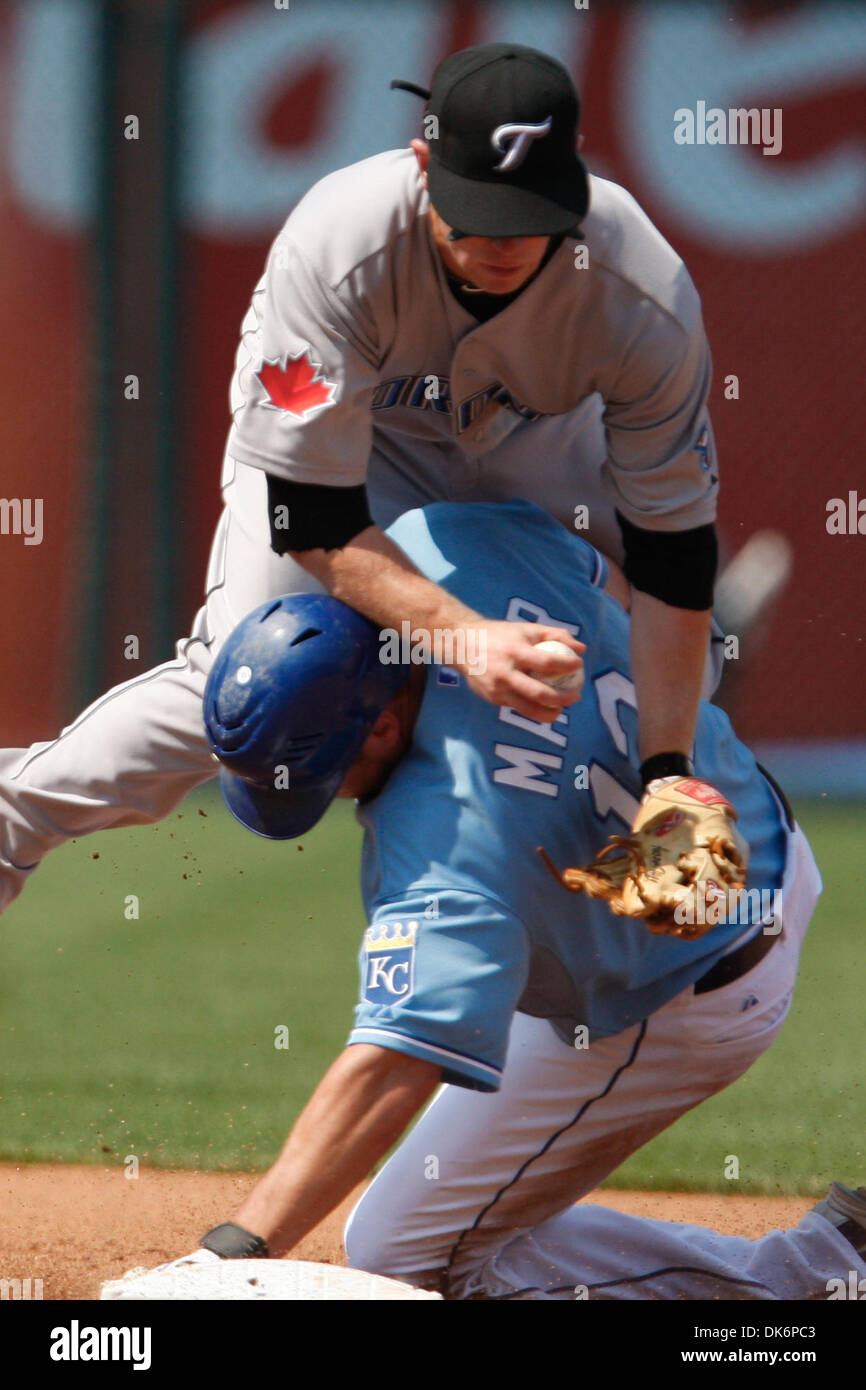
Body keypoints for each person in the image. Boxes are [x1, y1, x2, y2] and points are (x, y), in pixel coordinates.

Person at [0, 42, 724, 918]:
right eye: (477, 213)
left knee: (662, 680)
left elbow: (674, 556)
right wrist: (463, 637)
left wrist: (670, 774)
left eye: (529, 214)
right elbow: (313, 518)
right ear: (423, 167)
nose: (503, 242)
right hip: (361, 447)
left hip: (537, 443)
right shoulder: (335, 243)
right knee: (259, 670)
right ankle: (14, 814)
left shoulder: (641, 294)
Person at [165, 498, 863, 1302]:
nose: (317, 800)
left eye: (321, 775)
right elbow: (629, 590)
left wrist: (237, 1245)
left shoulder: (447, 842)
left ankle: (814, 1278)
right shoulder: (452, 544)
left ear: (382, 729)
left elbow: (399, 1058)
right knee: (455, 1198)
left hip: (689, 991)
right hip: (753, 824)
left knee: (402, 1250)